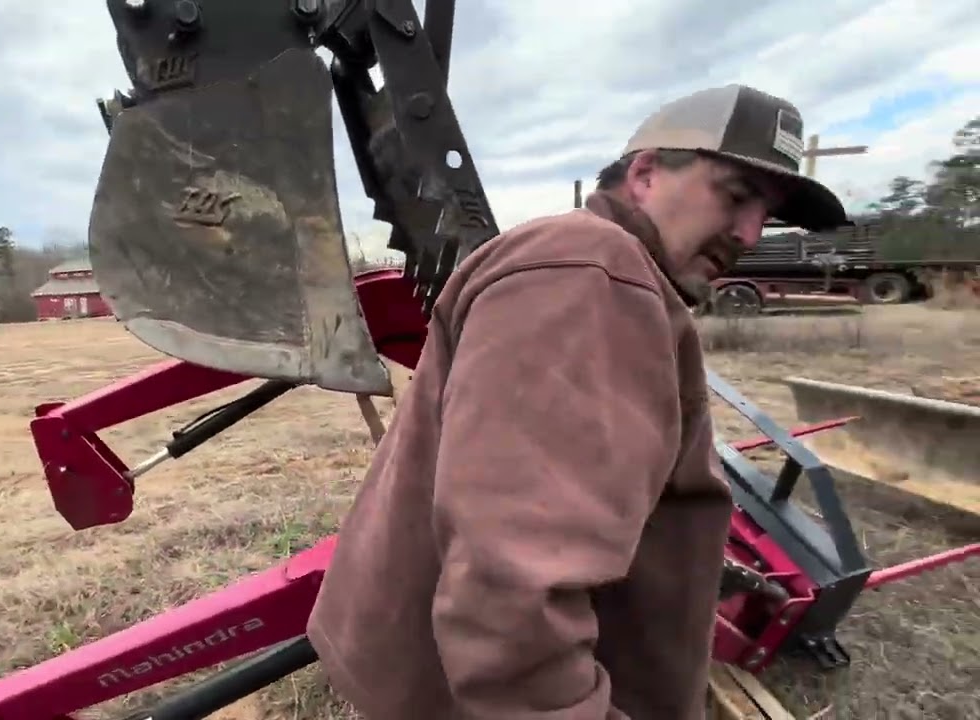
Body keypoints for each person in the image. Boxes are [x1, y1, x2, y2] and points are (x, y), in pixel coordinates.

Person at [305, 84, 849, 719]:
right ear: (645, 174)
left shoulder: (592, 266)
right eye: (735, 195)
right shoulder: (594, 273)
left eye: (766, 214)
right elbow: (515, 587)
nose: (751, 233)